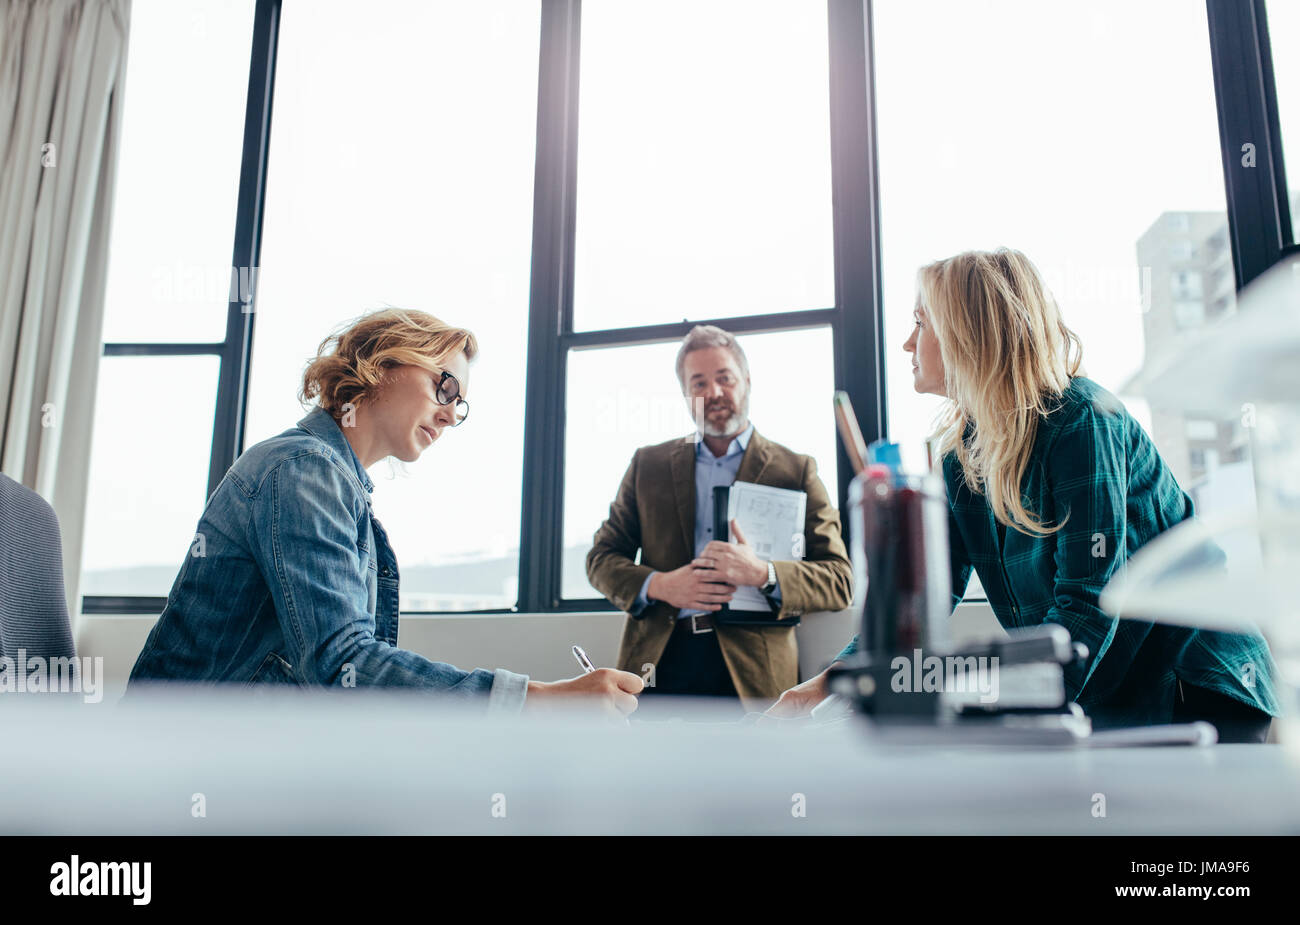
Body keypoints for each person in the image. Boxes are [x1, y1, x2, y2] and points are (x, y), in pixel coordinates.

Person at [769, 249, 1280, 743]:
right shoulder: (961, 457)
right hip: (1114, 694)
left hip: (1193, 682)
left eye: (920, 323)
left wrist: (1013, 715)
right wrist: (825, 684)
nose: (907, 343)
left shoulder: (1082, 417)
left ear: (966, 332)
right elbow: (922, 600)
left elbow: (1088, 602)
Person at [128, 308, 642, 720]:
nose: (449, 413)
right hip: (185, 764)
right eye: (445, 388)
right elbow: (342, 665)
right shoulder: (304, 469)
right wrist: (538, 699)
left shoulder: (331, 480)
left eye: (459, 406)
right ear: (383, 364)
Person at [586, 325, 853, 715]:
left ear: (746, 381)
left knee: (752, 778)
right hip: (658, 666)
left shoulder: (796, 470)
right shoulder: (649, 465)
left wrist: (764, 574)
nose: (713, 392)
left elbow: (839, 580)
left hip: (755, 678)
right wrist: (660, 584)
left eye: (724, 378)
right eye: (698, 382)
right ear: (685, 395)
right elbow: (600, 559)